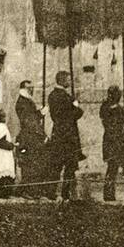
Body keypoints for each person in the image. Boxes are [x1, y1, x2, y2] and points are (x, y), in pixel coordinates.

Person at [46, 71, 84, 201]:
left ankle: (51, 192)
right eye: (68, 79)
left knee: (55, 166)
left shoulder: (52, 95)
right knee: (70, 166)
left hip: (57, 133)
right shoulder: (66, 98)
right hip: (68, 136)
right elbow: (76, 114)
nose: (70, 82)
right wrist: (76, 104)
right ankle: (65, 193)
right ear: (62, 80)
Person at [100, 85, 124, 202]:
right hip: (120, 144)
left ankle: (108, 195)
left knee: (112, 169)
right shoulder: (117, 111)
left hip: (110, 144)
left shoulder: (105, 108)